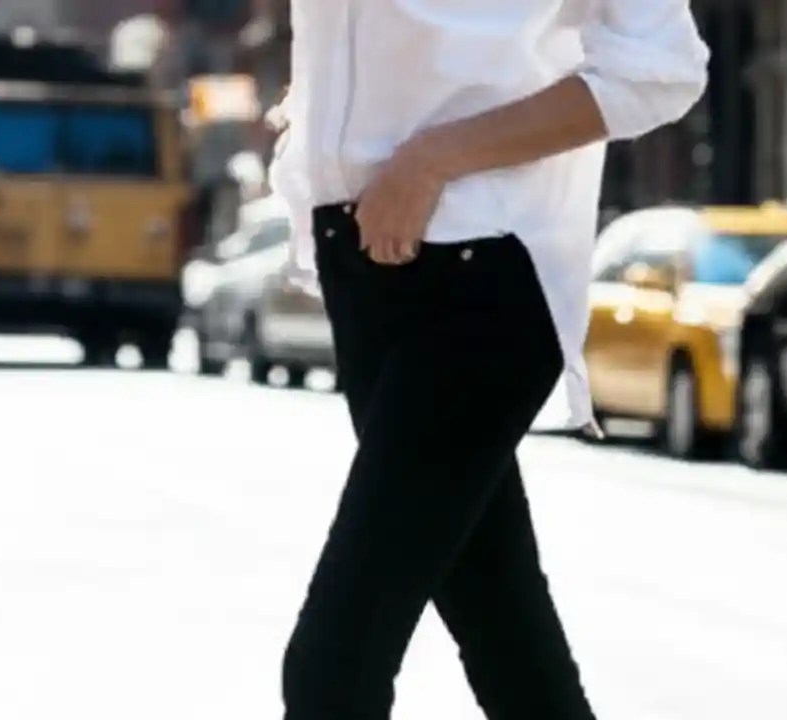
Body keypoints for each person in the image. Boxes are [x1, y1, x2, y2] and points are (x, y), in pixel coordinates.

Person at [269, 1, 709, 717]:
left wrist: (433, 157)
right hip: (365, 268)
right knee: (512, 649)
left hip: (481, 278)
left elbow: (663, 69)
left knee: (333, 662)